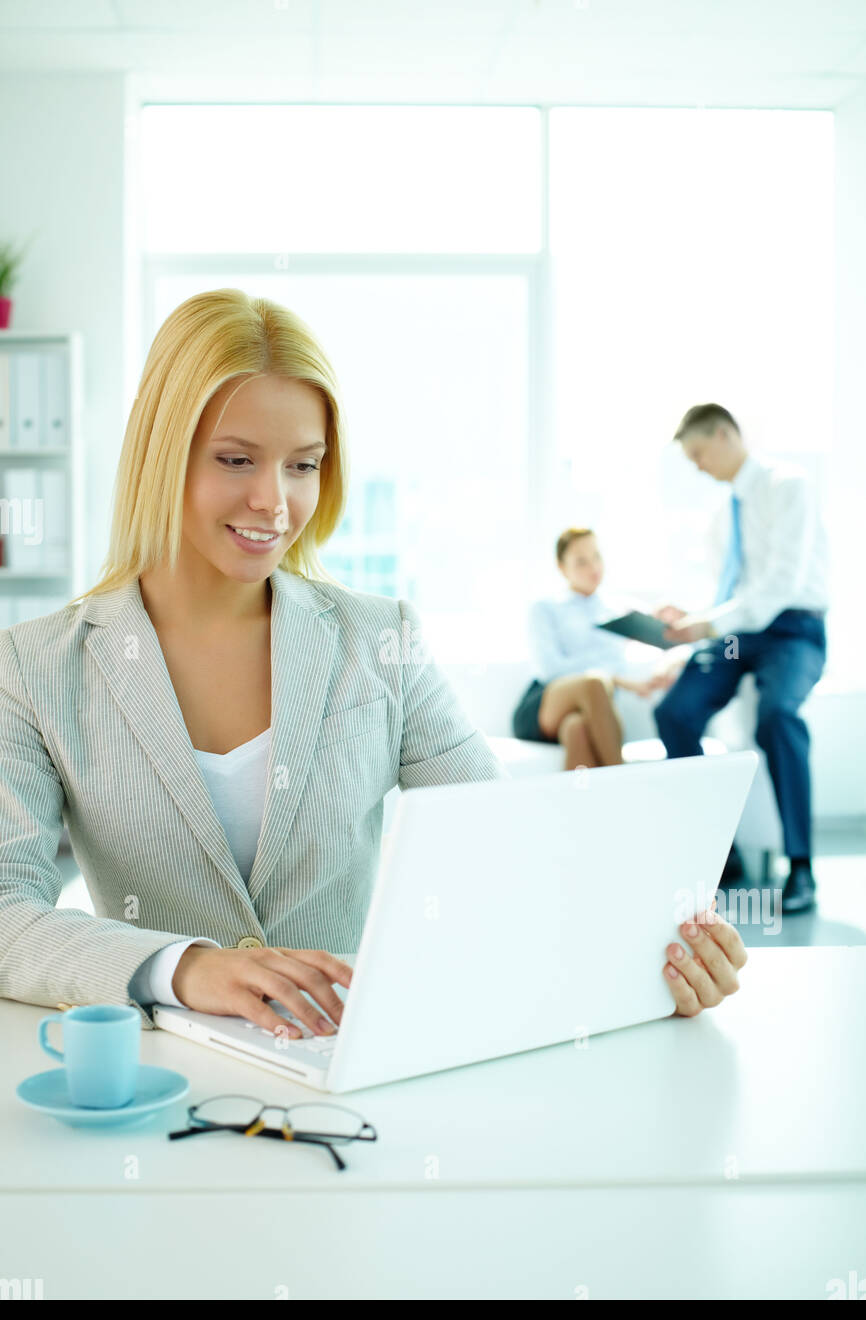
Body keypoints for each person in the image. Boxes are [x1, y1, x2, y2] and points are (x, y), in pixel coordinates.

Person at [0, 292, 747, 1032]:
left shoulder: (377, 640)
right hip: (161, 1092)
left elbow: (510, 845)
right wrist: (187, 968)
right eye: (236, 460)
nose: (275, 502)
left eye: (304, 465)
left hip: (351, 1080)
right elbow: (7, 910)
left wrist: (654, 954)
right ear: (163, 454)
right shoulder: (38, 667)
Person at [653, 403, 829, 913]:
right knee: (675, 712)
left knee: (778, 715)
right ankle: (720, 855)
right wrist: (694, 618)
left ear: (727, 434)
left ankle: (801, 869)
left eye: (700, 452)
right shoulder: (720, 515)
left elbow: (780, 585)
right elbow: (730, 595)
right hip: (737, 635)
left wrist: (709, 624)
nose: (698, 466)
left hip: (793, 629)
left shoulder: (787, 486)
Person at [512, 527, 681, 771]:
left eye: (596, 557)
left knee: (577, 728)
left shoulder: (620, 608)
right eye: (581, 561)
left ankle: (579, 808)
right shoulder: (545, 608)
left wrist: (665, 667)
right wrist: (620, 681)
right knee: (595, 683)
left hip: (591, 708)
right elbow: (550, 670)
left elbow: (674, 639)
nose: (593, 567)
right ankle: (622, 779)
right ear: (562, 567)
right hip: (545, 703)